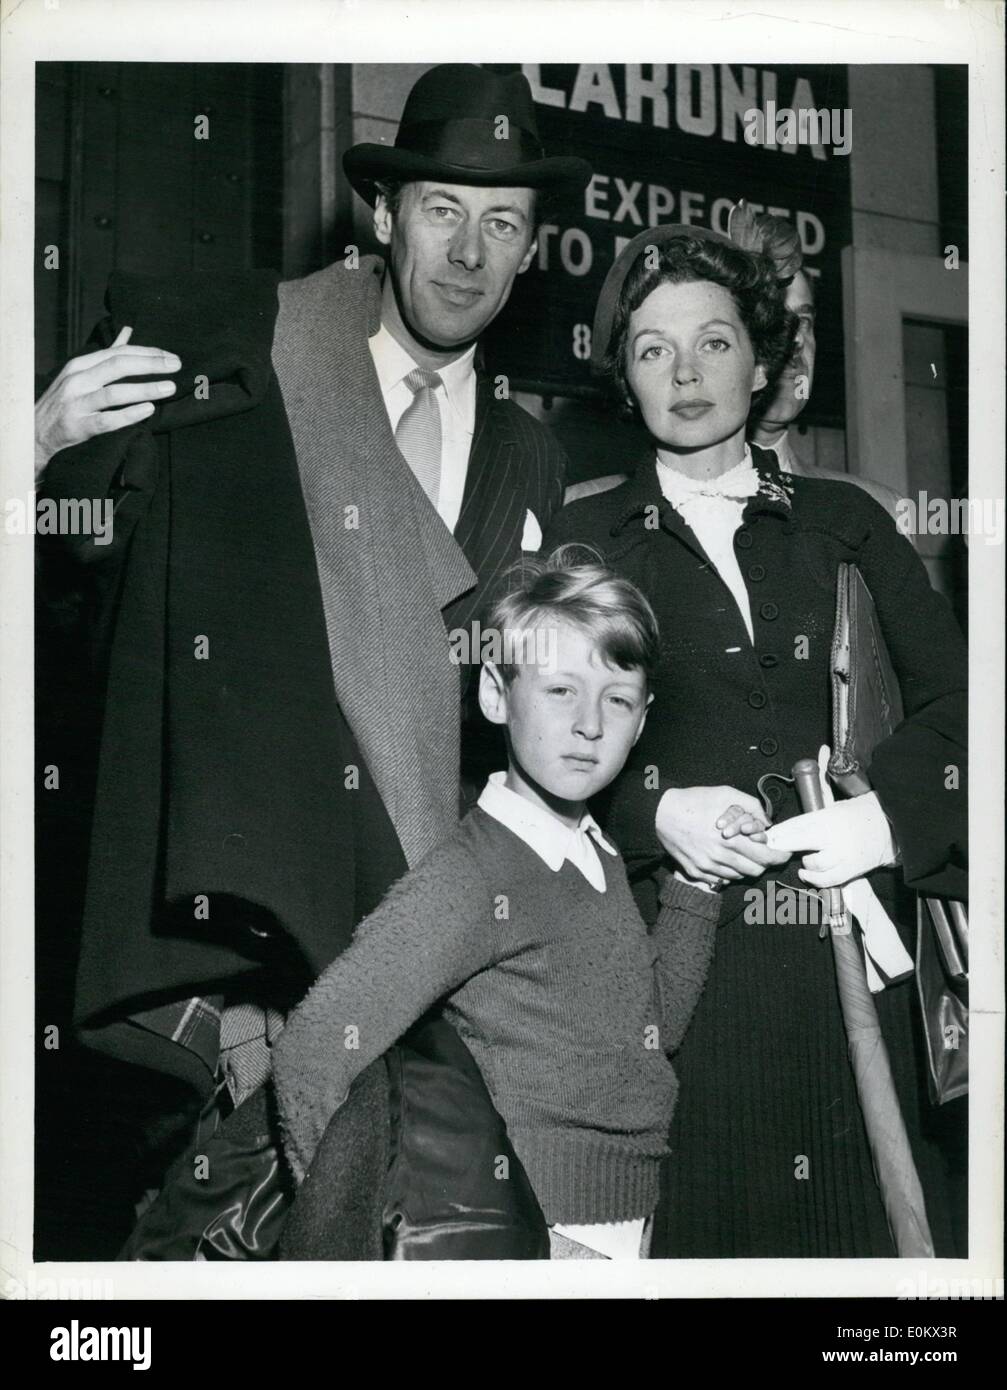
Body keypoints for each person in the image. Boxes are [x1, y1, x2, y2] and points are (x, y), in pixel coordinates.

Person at [35, 65, 590, 1234]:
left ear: (531, 251)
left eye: (503, 224)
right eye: (441, 209)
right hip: (247, 932)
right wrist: (35, 459)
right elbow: (74, 607)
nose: (467, 251)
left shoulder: (531, 462)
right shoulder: (258, 361)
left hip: (435, 946)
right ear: (383, 217)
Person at [543, 224, 967, 1258]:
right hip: (683, 983)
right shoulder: (586, 547)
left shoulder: (846, 525)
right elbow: (520, 759)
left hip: (866, 978)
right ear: (623, 378)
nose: (684, 373)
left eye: (713, 342)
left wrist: (884, 820)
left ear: (762, 360)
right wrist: (654, 810)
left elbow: (969, 711)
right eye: (651, 349)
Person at [271, 551, 724, 1260]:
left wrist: (696, 886)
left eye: (616, 698)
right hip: (532, 1227)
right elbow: (314, 1048)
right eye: (559, 691)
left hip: (624, 1221)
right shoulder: (476, 873)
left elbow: (649, 1030)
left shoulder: (595, 855)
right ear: (494, 694)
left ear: (641, 723)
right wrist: (367, 1225)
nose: (589, 725)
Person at [563, 203, 903, 518]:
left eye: (804, 323)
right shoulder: (582, 515)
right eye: (776, 323)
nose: (793, 342)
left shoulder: (873, 512)